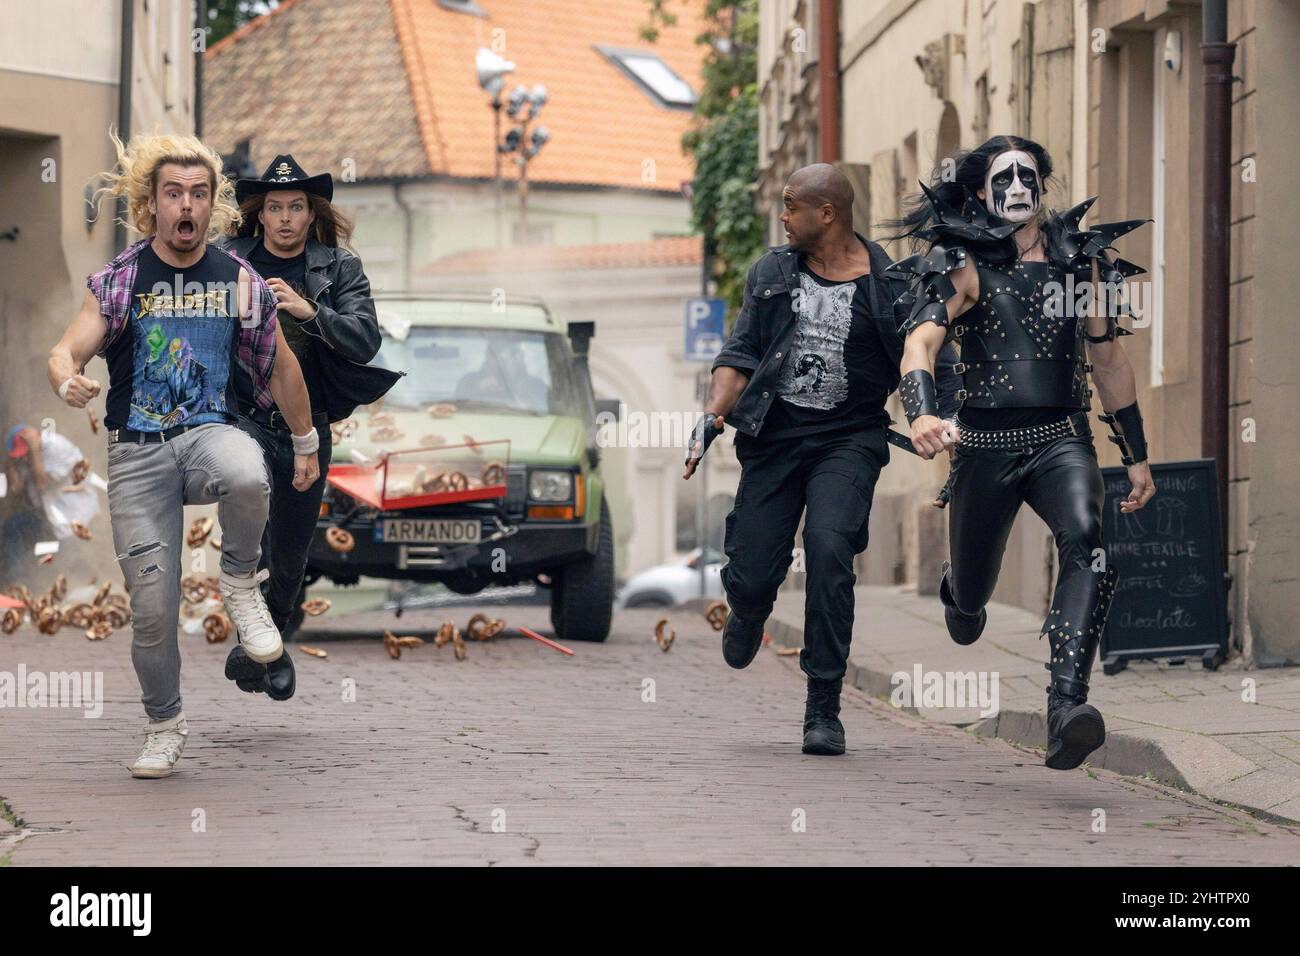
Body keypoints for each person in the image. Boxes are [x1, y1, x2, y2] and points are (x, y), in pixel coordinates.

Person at [47, 131, 320, 779]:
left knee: (247, 467)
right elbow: (67, 350)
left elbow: (281, 366)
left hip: (205, 436)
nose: (187, 205)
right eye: (174, 193)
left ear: (213, 204)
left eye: (199, 193)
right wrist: (65, 379)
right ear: (151, 205)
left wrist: (305, 441)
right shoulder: (120, 281)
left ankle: (239, 581)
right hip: (138, 455)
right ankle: (164, 724)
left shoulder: (237, 278)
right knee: (151, 612)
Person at [885, 134, 1155, 770]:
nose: (1015, 192)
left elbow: (1108, 358)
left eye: (1027, 180)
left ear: (1042, 187)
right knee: (974, 592)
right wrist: (922, 411)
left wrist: (1136, 455)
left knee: (1089, 541)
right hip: (983, 445)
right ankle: (960, 592)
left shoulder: (1078, 262)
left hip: (1061, 436)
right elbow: (920, 344)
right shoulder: (963, 263)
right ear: (980, 192)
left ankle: (1067, 709)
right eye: (1001, 182)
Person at [684, 164, 961, 756]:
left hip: (849, 441)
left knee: (832, 550)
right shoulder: (772, 272)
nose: (782, 217)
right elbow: (740, 353)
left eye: (790, 206)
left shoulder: (891, 286)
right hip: (775, 438)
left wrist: (943, 420)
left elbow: (929, 358)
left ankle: (823, 707)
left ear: (826, 213)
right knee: (756, 569)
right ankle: (748, 606)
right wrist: (711, 416)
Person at [222, 154, 397, 701]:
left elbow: (366, 339)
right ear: (260, 213)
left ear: (311, 212)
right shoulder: (229, 259)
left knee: (293, 554)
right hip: (242, 418)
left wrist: (307, 311)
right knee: (255, 518)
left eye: (296, 207)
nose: (285, 218)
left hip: (308, 427)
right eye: (274, 207)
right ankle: (260, 640)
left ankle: (263, 646)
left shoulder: (339, 268)